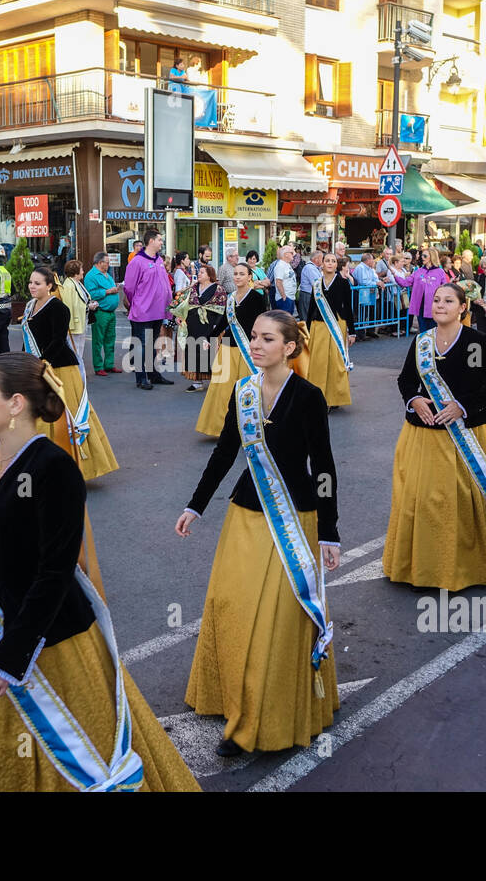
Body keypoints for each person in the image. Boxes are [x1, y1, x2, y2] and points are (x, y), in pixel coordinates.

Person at [0, 353, 199, 791]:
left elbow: (55, 571)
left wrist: (8, 660)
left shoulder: (54, 469)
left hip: (41, 644)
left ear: (16, 403)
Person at [176, 310, 339, 756]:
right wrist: (196, 505)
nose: (256, 344)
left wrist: (330, 532)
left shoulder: (308, 396)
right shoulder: (243, 392)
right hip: (246, 512)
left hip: (293, 517)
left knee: (278, 619)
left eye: (267, 338)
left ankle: (260, 716)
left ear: (289, 347)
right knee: (232, 605)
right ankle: (226, 695)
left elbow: (323, 468)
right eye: (253, 337)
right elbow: (226, 453)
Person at [383, 283, 486, 591]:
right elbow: (406, 379)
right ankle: (422, 565)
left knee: (464, 499)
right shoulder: (422, 341)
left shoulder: (477, 342)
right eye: (436, 300)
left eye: (448, 301)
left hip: (470, 430)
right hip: (424, 432)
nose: (439, 305)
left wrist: (462, 406)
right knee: (422, 500)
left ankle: (470, 565)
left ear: (463, 308)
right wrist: (415, 400)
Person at [22, 267, 118, 482]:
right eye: (31, 282)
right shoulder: (30, 308)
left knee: (70, 416)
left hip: (62, 368)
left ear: (50, 286)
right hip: (41, 368)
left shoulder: (58, 308)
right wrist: (27, 363)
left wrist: (42, 363)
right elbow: (28, 341)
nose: (32, 286)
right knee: (40, 415)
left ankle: (80, 467)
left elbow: (58, 340)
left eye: (37, 283)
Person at [196, 263, 268, 437]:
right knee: (221, 389)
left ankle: (249, 427)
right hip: (228, 347)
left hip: (248, 350)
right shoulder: (231, 298)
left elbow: (264, 323)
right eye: (235, 274)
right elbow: (223, 322)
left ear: (250, 277)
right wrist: (210, 337)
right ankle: (220, 428)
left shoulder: (258, 298)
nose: (237, 277)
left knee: (248, 390)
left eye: (242, 274)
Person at [122, 229, 174, 390]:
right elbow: (129, 288)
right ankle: (141, 377)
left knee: (152, 345)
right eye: (159, 240)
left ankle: (153, 374)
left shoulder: (158, 260)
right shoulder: (137, 262)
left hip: (158, 311)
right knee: (141, 345)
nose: (161, 242)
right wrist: (137, 303)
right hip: (143, 311)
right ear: (151, 241)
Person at [305, 252, 356, 408]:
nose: (330, 263)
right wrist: (307, 329)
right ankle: (317, 398)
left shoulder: (343, 283)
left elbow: (348, 307)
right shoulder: (316, 284)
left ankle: (335, 398)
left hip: (337, 324)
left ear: (336, 265)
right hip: (318, 326)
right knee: (318, 363)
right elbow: (311, 307)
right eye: (327, 260)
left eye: (333, 261)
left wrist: (352, 331)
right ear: (322, 264)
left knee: (336, 362)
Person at [179, 263, 224, 391]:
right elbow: (183, 303)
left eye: (202, 272)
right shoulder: (193, 287)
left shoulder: (218, 289)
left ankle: (215, 381)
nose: (199, 274)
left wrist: (218, 324)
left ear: (210, 275)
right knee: (193, 348)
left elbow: (221, 307)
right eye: (199, 272)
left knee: (209, 351)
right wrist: (180, 315)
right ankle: (197, 381)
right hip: (193, 323)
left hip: (209, 323)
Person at [84, 252, 122, 376]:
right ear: (100, 263)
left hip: (111, 312)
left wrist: (115, 288)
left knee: (110, 339)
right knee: (98, 340)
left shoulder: (107, 274)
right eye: (107, 262)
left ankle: (109, 364)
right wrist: (108, 291)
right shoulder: (91, 276)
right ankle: (98, 366)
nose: (109, 264)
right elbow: (91, 294)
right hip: (101, 312)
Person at [59, 260, 94, 384]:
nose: (83, 271)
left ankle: (78, 375)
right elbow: (69, 307)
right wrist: (88, 307)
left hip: (80, 322)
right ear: (75, 272)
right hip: (75, 324)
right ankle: (76, 376)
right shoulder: (69, 286)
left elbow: (82, 301)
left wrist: (89, 305)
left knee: (79, 350)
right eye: (81, 269)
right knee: (75, 350)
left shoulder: (76, 283)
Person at [408, 247, 448, 334]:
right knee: (423, 332)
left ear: (431, 257)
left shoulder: (440, 271)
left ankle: (435, 347)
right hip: (421, 306)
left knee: (434, 331)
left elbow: (445, 288)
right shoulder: (418, 271)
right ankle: (424, 347)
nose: (422, 257)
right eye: (422, 255)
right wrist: (394, 274)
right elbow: (406, 282)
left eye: (425, 256)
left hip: (434, 306)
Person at [351, 252, 381, 340]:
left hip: (369, 293)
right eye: (372, 259)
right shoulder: (361, 268)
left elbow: (375, 278)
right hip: (361, 293)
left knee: (370, 312)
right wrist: (376, 283)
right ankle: (359, 334)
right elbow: (363, 282)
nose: (373, 261)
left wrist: (377, 282)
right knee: (361, 313)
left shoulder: (370, 268)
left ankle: (369, 331)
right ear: (368, 260)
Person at [297, 250, 323, 323]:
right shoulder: (310, 268)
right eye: (322, 258)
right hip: (307, 295)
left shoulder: (313, 268)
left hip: (308, 295)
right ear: (316, 259)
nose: (322, 261)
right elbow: (316, 283)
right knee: (307, 318)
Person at [272, 243, 298, 315]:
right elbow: (278, 282)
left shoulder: (286, 264)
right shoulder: (280, 265)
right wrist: (284, 297)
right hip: (285, 299)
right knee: (285, 321)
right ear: (286, 254)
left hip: (290, 297)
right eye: (291, 253)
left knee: (289, 320)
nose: (293, 254)